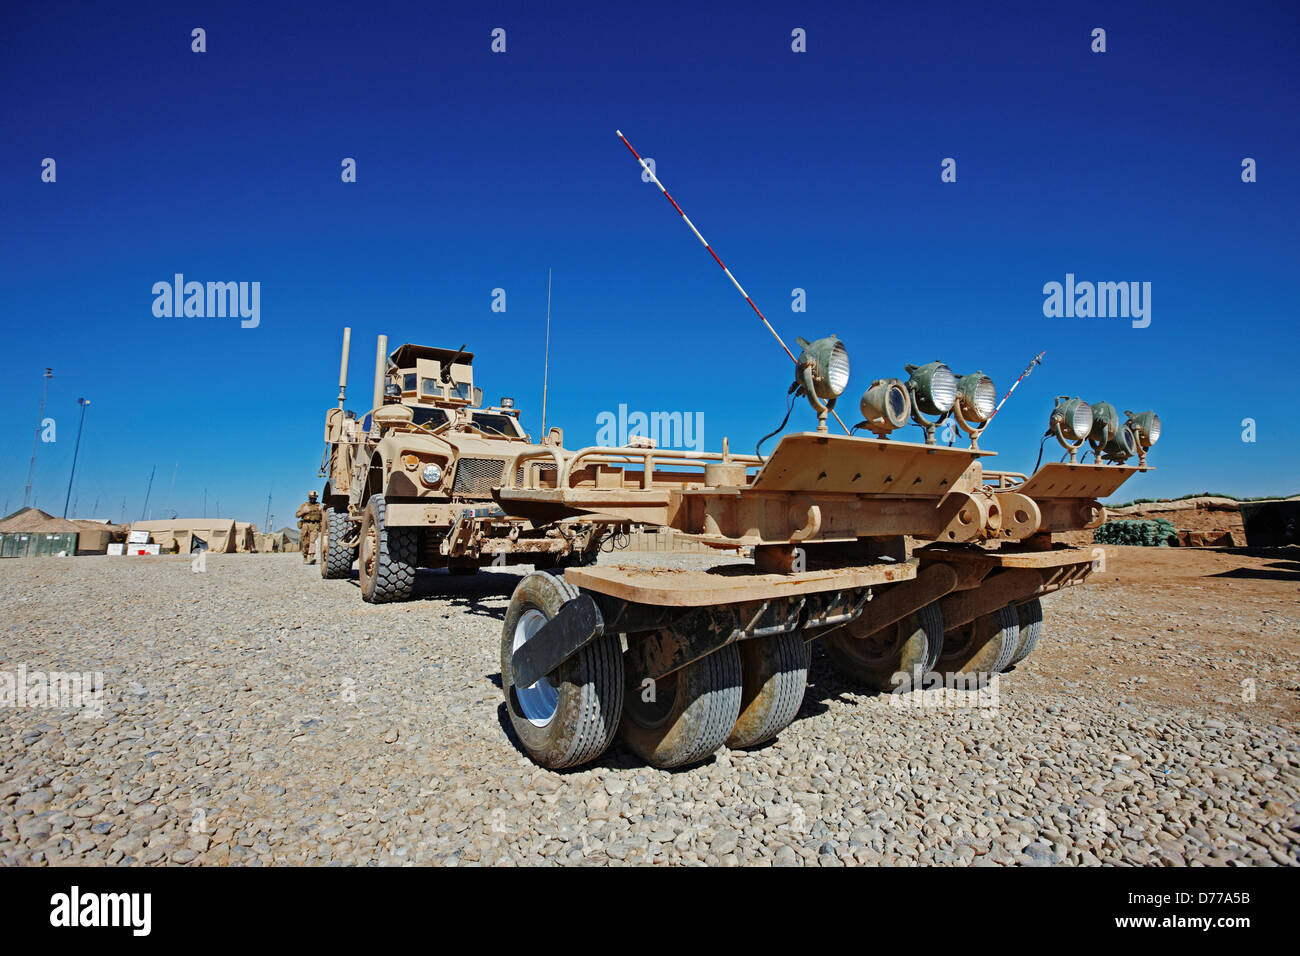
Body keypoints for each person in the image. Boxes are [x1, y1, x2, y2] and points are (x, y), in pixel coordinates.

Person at [296, 491, 322, 564]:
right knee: (305, 542)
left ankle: (312, 557)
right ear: (309, 498)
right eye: (312, 498)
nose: (313, 499)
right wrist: (303, 512)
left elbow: (322, 516)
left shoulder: (319, 506)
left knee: (312, 541)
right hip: (306, 525)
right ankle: (305, 556)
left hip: (315, 525)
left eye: (315, 498)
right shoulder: (304, 505)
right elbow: (297, 515)